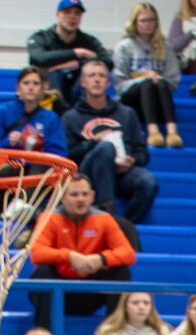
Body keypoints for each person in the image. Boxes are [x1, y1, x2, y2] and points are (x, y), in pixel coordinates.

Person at [28, 172, 137, 331]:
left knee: (122, 272)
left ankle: (112, 334)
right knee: (43, 273)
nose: (81, 199)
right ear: (62, 197)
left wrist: (101, 259)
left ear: (92, 196)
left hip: (90, 292)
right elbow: (37, 253)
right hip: (59, 293)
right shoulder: (49, 217)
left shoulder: (104, 219)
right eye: (74, 194)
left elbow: (128, 254)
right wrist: (70, 256)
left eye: (85, 194)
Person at [62, 59, 158, 228]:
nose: (97, 80)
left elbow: (142, 153)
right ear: (83, 82)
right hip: (87, 175)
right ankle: (107, 209)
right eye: (91, 75)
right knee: (106, 146)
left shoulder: (127, 113)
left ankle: (124, 226)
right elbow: (69, 156)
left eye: (101, 76)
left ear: (108, 82)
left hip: (120, 172)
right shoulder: (70, 117)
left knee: (148, 182)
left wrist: (131, 161)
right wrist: (93, 143)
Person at [113, 1, 183, 149]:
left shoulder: (164, 46)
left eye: (152, 20)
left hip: (157, 95)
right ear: (135, 22)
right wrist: (143, 77)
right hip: (131, 98)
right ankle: (153, 132)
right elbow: (119, 83)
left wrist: (157, 79)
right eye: (144, 20)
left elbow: (173, 79)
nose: (148, 24)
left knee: (160, 83)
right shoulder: (124, 46)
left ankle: (172, 133)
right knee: (147, 84)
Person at [27, 0, 113, 107]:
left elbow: (108, 62)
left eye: (77, 13)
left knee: (90, 75)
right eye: (67, 12)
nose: (73, 17)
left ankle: (78, 115)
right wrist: (77, 53)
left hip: (78, 92)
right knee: (52, 75)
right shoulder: (42, 37)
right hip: (51, 92)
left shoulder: (88, 41)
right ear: (58, 15)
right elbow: (38, 58)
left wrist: (77, 64)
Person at [0, 64, 67, 155]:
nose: (30, 88)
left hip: (38, 167)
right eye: (26, 83)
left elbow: (59, 153)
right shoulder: (2, 112)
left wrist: (39, 146)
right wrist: (8, 142)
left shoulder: (51, 118)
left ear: (43, 88)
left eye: (36, 83)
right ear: (18, 87)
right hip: (6, 165)